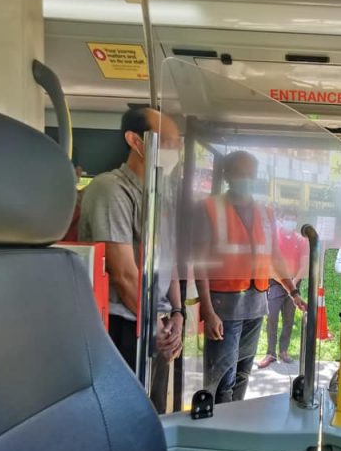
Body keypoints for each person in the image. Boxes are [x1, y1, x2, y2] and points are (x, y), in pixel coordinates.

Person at [78, 107, 184, 414]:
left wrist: (177, 314)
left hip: (157, 322)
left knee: (155, 411)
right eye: (166, 141)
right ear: (135, 141)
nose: (173, 151)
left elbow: (170, 261)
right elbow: (124, 275)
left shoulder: (160, 194)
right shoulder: (111, 189)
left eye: (177, 143)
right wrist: (157, 326)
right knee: (125, 415)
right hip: (123, 325)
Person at [195, 150, 306, 403]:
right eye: (240, 173)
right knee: (223, 376)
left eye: (250, 174)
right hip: (224, 305)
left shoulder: (266, 212)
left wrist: (293, 292)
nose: (246, 178)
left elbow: (274, 257)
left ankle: (237, 422)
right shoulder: (210, 208)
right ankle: (217, 429)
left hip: (256, 303)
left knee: (244, 373)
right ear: (226, 175)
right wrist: (208, 310)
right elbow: (199, 263)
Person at [257, 210, 307, 369]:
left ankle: (283, 350)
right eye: (287, 218)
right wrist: (285, 283)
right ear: (281, 219)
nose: (290, 221)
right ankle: (270, 352)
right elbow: (270, 262)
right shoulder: (274, 238)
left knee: (289, 319)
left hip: (294, 283)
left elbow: (304, 265)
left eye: (293, 218)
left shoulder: (301, 240)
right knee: (272, 317)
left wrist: (292, 284)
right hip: (275, 283)